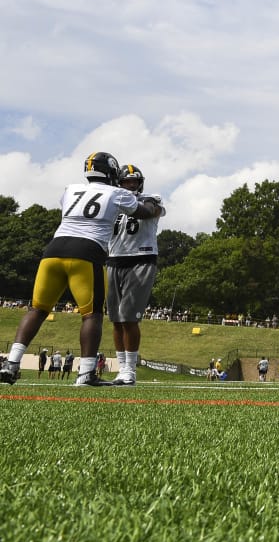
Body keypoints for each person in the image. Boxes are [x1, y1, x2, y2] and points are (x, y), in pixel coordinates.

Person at [1, 153, 161, 387]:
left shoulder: (70, 190)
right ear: (112, 173)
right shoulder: (116, 193)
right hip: (86, 252)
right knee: (92, 314)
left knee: (37, 309)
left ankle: (11, 363)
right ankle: (86, 374)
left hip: (53, 251)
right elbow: (143, 212)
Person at [105, 164, 165, 386]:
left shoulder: (151, 198)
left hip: (141, 258)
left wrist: (121, 201)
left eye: (133, 182)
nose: (130, 186)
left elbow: (149, 211)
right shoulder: (110, 200)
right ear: (118, 183)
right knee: (115, 319)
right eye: (125, 182)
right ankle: (121, 368)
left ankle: (130, 370)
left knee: (129, 316)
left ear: (140, 183)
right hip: (114, 259)